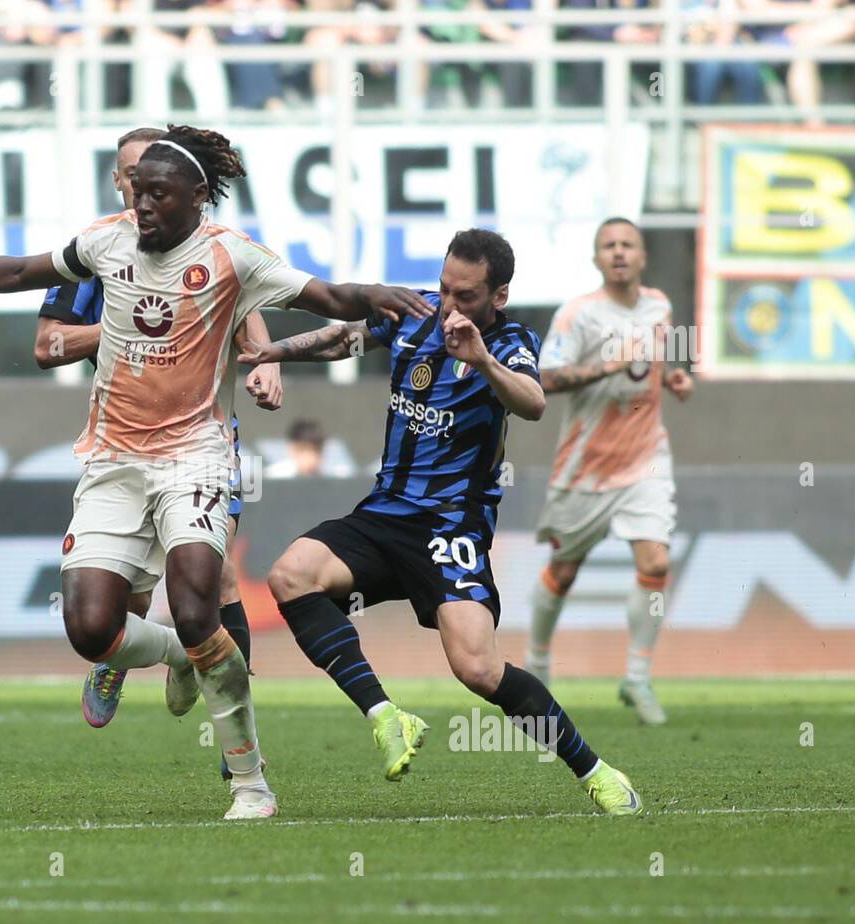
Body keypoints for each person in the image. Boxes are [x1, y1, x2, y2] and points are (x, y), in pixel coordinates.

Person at [0, 123, 427, 820]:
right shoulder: (106, 240)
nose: (146, 208)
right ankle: (182, 653)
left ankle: (251, 783)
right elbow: (17, 272)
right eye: (139, 194)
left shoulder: (231, 255)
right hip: (110, 461)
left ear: (198, 198)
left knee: (200, 604)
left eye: (160, 195)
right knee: (90, 628)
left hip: (193, 455)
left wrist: (373, 291)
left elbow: (326, 296)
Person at [239, 228, 645, 815]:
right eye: (445, 288)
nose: (450, 304)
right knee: (290, 575)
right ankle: (386, 715)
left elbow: (532, 403)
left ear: (498, 297)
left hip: (450, 530)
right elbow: (344, 340)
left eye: (467, 295)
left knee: (479, 670)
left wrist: (478, 356)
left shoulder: (509, 341)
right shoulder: (413, 312)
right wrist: (276, 352)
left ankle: (595, 771)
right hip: (384, 516)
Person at [31, 127, 283, 771]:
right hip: (123, 439)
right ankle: (140, 654)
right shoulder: (100, 248)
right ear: (120, 182)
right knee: (122, 605)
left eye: (152, 176)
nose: (139, 188)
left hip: (201, 436)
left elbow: (244, 306)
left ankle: (237, 757)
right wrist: (122, 326)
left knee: (211, 581)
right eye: (129, 175)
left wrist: (265, 359)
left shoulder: (213, 250)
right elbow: (46, 347)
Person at [526, 217, 692, 726]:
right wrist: (604, 367)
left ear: (642, 256)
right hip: (586, 466)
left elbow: (654, 362)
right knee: (564, 570)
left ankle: (638, 678)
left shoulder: (659, 305)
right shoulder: (577, 315)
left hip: (646, 459)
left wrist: (675, 376)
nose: (619, 252)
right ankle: (536, 663)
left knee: (657, 563)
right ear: (597, 259)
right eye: (608, 246)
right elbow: (544, 378)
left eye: (628, 245)